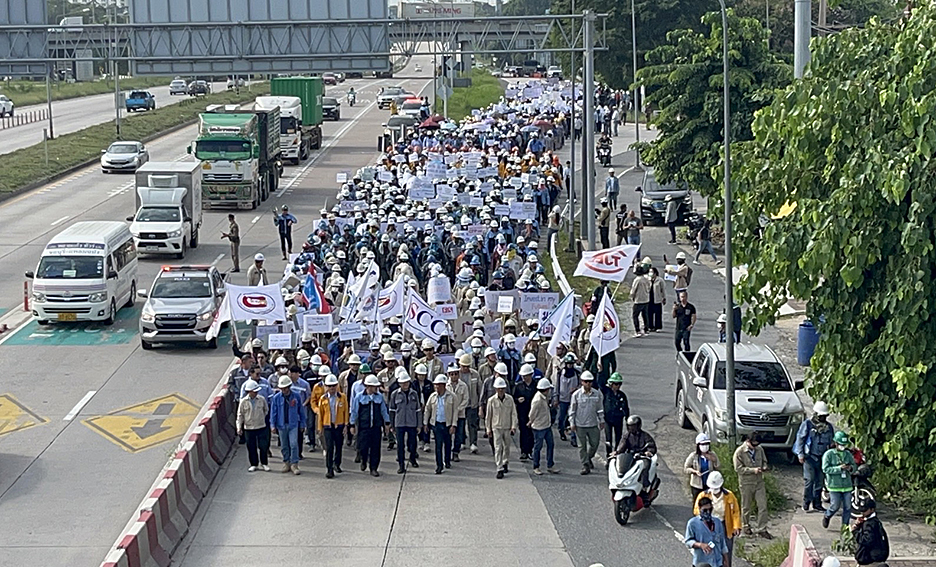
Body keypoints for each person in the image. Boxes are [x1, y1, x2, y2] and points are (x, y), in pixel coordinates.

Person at [793, 401, 835, 512]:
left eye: (825, 416)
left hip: (823, 458)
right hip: (809, 457)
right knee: (809, 480)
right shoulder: (807, 424)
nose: (823, 418)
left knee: (819, 482)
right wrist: (800, 454)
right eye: (821, 416)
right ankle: (806, 502)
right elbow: (800, 439)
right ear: (816, 414)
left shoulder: (829, 427)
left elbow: (832, 443)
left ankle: (817, 504)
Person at [694, 471, 742, 567]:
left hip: (725, 526)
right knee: (709, 548)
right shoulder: (703, 496)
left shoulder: (729, 496)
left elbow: (735, 512)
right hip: (709, 526)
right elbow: (696, 510)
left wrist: (736, 526)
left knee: (726, 549)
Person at [350, 375, 391, 477]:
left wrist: (387, 423)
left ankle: (374, 468)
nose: (375, 388)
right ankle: (364, 460)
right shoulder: (359, 397)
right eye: (373, 386)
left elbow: (384, 411)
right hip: (364, 427)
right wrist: (352, 425)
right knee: (363, 447)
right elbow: (354, 411)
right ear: (367, 386)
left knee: (375, 448)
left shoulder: (379, 397)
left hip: (376, 427)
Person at [733, 433, 772, 538]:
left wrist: (764, 467)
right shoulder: (740, 452)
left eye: (756, 444)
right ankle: (746, 526)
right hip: (746, 483)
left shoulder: (759, 449)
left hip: (759, 482)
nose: (755, 447)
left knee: (763, 505)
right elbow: (738, 469)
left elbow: (764, 461)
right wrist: (752, 470)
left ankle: (762, 529)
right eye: (753, 444)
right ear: (748, 441)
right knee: (746, 506)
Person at [569, 370, 604, 475]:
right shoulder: (576, 395)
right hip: (580, 425)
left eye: (590, 381)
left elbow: (600, 409)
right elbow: (572, 410)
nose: (588, 383)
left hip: (593, 424)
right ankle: (585, 464)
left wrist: (602, 420)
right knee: (582, 447)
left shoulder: (597, 394)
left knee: (595, 444)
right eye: (586, 381)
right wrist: (572, 423)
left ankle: (588, 458)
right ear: (582, 382)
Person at [270, 374, 306, 475]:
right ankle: (286, 462)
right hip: (281, 425)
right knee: (284, 445)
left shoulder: (296, 396)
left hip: (293, 424)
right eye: (282, 388)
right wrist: (272, 425)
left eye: (285, 388)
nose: (284, 390)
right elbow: (274, 412)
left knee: (294, 444)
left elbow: (301, 411)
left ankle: (294, 463)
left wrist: (303, 424)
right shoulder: (276, 398)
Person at [316, 374, 349, 478]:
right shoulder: (323, 399)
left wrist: (346, 425)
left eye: (333, 385)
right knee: (329, 448)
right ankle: (329, 469)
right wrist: (320, 428)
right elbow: (321, 414)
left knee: (339, 447)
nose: (332, 388)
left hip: (339, 426)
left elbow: (346, 412)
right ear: (326, 386)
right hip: (328, 426)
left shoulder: (342, 397)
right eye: (329, 386)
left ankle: (337, 464)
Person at [822, 430, 856, 530]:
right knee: (835, 506)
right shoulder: (829, 454)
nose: (843, 446)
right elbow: (825, 469)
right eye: (841, 444)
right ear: (836, 443)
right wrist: (839, 468)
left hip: (847, 485)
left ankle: (845, 527)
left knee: (848, 508)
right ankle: (827, 515)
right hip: (834, 485)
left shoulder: (848, 454)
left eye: (844, 444)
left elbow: (854, 466)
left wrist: (850, 468)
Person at [611, 415, 657, 488]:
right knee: (619, 466)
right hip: (630, 456)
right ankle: (620, 483)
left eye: (633, 426)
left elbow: (651, 445)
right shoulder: (627, 435)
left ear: (638, 425)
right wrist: (617, 452)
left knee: (644, 467)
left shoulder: (645, 435)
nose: (631, 428)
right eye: (630, 426)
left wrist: (648, 452)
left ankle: (644, 486)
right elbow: (622, 445)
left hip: (642, 456)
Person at [389, 371, 421, 474]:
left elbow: (418, 410)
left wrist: (419, 425)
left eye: (407, 382)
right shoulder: (395, 394)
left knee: (413, 443)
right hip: (399, 423)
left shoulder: (414, 394)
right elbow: (392, 410)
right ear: (399, 384)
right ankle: (401, 465)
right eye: (403, 383)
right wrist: (392, 425)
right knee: (400, 445)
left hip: (412, 422)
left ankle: (412, 458)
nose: (405, 385)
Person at [486, 377, 518, 479]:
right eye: (499, 388)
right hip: (496, 427)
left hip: (507, 426)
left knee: (507, 447)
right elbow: (489, 416)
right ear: (495, 389)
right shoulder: (491, 400)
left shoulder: (510, 399)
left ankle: (505, 462)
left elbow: (513, 413)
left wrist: (514, 426)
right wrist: (488, 429)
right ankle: (499, 468)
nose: (501, 390)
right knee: (498, 447)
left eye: (502, 388)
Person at [424, 375, 456, 474]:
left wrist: (453, 425)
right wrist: (425, 423)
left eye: (439, 385)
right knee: (438, 446)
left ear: (444, 386)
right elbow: (427, 409)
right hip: (436, 424)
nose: (437, 387)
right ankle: (439, 465)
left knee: (448, 443)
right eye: (436, 385)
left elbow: (455, 411)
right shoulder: (432, 397)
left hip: (447, 424)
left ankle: (447, 460)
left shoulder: (452, 396)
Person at [685, 496, 730, 567]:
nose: (708, 512)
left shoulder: (717, 522)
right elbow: (688, 541)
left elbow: (722, 544)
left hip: (717, 562)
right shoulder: (692, 523)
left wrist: (726, 561)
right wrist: (700, 545)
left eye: (710, 509)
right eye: (705, 510)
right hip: (701, 562)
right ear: (699, 509)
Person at [236, 379, 270, 472]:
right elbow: (240, 415)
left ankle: (264, 463)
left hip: (261, 426)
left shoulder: (261, 399)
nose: (255, 393)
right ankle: (254, 464)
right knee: (251, 447)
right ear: (249, 392)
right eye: (254, 391)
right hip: (249, 428)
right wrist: (239, 427)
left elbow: (266, 410)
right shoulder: (243, 402)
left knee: (263, 446)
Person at [529, 377, 558, 475]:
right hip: (539, 427)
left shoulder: (544, 398)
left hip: (546, 425)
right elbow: (532, 414)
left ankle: (550, 465)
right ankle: (536, 466)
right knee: (538, 447)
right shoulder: (538, 400)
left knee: (551, 445)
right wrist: (531, 422)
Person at [851, 498, 889, 566]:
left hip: (870, 560)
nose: (862, 513)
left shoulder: (870, 524)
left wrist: (855, 531)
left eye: (865, 510)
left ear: (872, 510)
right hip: (875, 557)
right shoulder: (875, 521)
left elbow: (866, 540)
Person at [685, 433, 720, 499]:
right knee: (697, 503)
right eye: (703, 444)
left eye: (707, 444)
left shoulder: (712, 454)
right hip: (697, 485)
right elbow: (686, 468)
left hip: (709, 484)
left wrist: (713, 460)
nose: (705, 446)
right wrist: (695, 471)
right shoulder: (693, 456)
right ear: (698, 445)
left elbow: (718, 467)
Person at [445, 363, 469, 461]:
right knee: (448, 435)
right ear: (448, 375)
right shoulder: (446, 386)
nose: (454, 376)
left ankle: (456, 452)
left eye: (455, 374)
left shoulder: (463, 386)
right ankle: (448, 452)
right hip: (448, 416)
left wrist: (458, 409)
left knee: (459, 435)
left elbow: (466, 399)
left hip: (460, 415)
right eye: (452, 374)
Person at [603, 373, 629, 452]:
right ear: (611, 384)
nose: (617, 386)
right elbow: (600, 382)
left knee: (619, 438)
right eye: (615, 384)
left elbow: (626, 408)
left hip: (618, 419)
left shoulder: (622, 395)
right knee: (608, 440)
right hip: (608, 419)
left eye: (619, 384)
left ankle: (617, 454)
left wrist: (627, 419)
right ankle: (609, 456)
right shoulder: (607, 393)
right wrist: (601, 372)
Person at [630, 266, 651, 337]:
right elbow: (649, 287)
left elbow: (633, 290)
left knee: (635, 315)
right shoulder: (646, 279)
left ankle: (637, 330)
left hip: (638, 300)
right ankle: (646, 329)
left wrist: (632, 297)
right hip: (646, 299)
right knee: (645, 315)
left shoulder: (637, 280)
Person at [649, 266, 666, 331]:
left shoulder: (660, 280)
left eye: (652, 272)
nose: (650, 273)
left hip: (657, 299)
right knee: (649, 313)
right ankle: (650, 326)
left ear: (655, 273)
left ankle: (658, 327)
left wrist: (664, 298)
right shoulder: (648, 279)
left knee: (658, 314)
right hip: (649, 299)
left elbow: (663, 290)